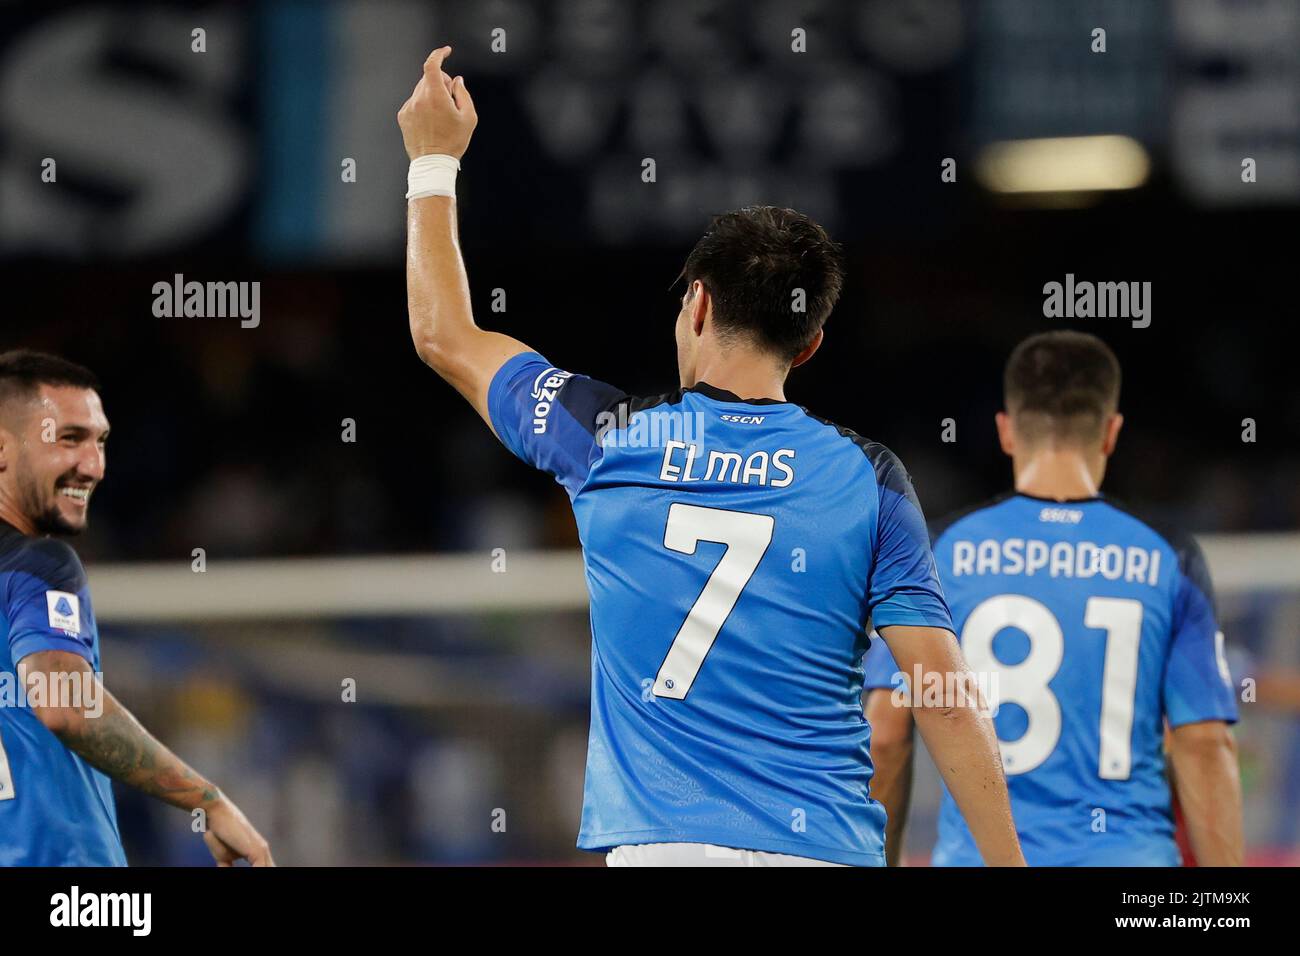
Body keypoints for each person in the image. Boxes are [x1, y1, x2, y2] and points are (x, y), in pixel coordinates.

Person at [398, 47, 1023, 867]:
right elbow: (940, 698)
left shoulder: (606, 436)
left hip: (665, 849)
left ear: (696, 302)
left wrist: (433, 163)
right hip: (823, 847)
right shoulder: (867, 479)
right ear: (810, 345)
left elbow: (445, 335)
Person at [864, 331, 1243, 866]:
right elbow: (1204, 745)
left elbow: (884, 735)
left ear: (1006, 431)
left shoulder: (939, 553)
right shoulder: (1168, 558)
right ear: (1111, 432)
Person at [0, 350, 273, 867]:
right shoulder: (39, 565)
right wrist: (206, 801)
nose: (95, 466)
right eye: (69, 438)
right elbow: (66, 706)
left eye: (100, 441)